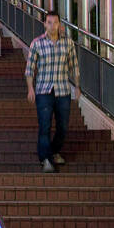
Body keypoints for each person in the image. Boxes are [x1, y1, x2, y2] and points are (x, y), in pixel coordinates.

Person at [24, 9, 81, 173]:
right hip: (43, 90)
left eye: (55, 22)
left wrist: (77, 86)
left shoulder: (67, 43)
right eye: (49, 22)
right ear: (45, 24)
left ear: (59, 25)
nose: (52, 25)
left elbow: (74, 66)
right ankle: (46, 159)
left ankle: (55, 151)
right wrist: (30, 89)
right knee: (45, 126)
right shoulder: (37, 43)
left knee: (63, 126)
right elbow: (30, 69)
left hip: (63, 90)